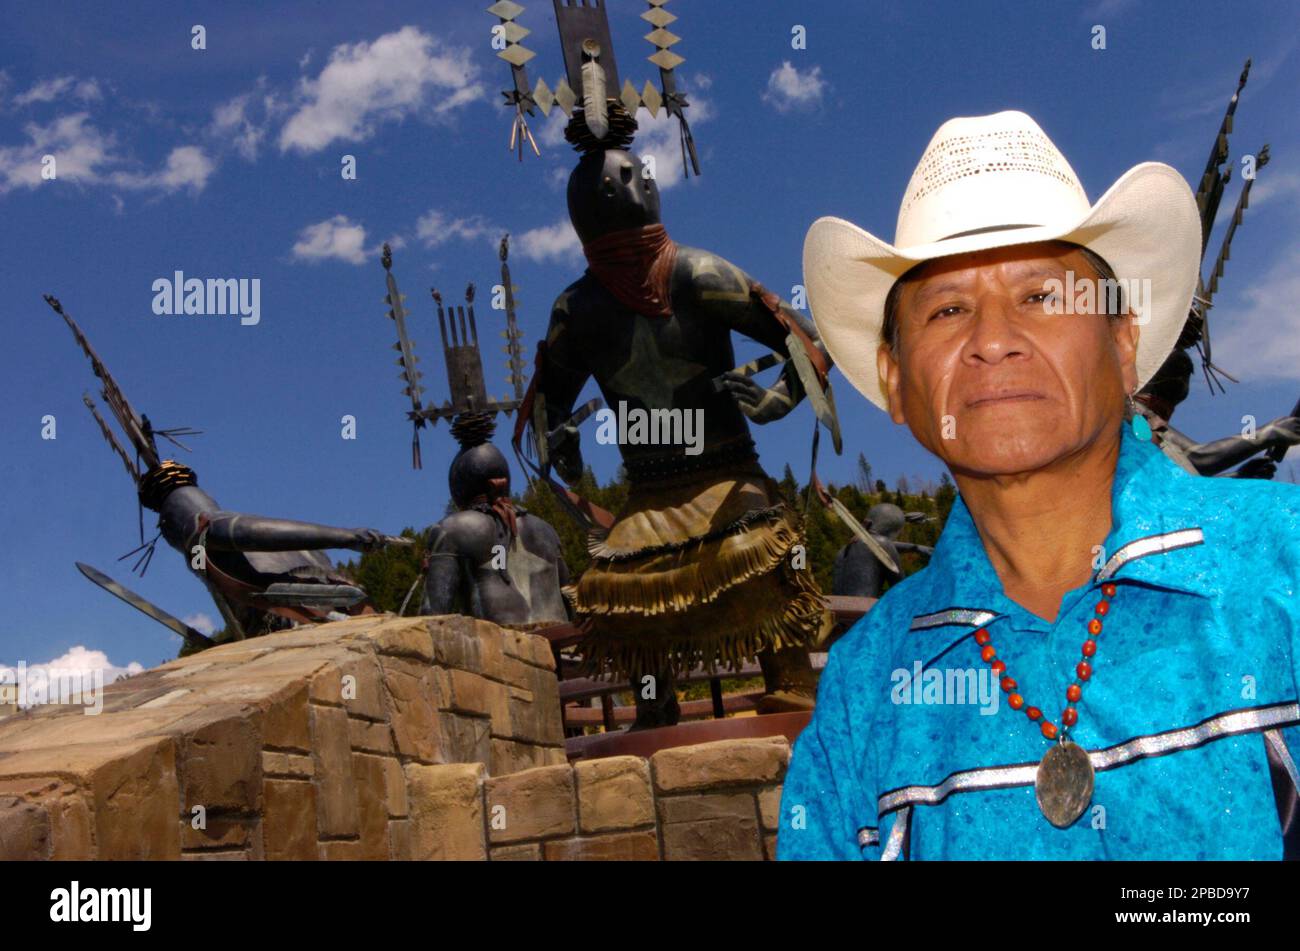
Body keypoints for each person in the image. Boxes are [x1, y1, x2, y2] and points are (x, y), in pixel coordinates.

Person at [778, 111, 1300, 860]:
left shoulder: (1286, 566)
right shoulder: (864, 689)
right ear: (895, 381)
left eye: (1042, 296)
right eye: (948, 308)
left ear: (1123, 343)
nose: (992, 339)